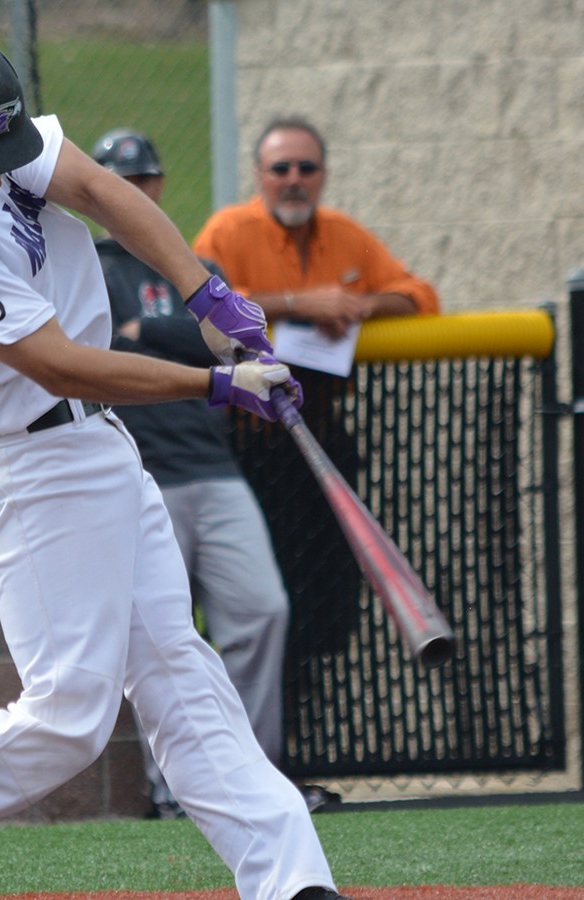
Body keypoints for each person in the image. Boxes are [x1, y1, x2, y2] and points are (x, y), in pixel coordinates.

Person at [0, 28, 350, 900]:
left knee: (182, 678)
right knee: (71, 719)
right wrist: (217, 383)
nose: (0, 175)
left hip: (95, 446)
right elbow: (56, 361)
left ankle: (293, 882)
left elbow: (96, 187)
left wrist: (206, 293)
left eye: (4, 151)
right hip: (24, 472)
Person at [89, 128, 303, 820]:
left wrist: (150, 333)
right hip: (142, 475)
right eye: (122, 180)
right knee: (164, 637)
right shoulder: (86, 264)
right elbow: (107, 345)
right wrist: (190, 345)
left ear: (158, 187)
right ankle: (177, 791)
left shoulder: (192, 265)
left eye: (145, 179)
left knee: (262, 609)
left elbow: (228, 337)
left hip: (214, 465)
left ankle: (252, 777)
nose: (137, 190)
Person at [191, 117, 439, 663]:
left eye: (307, 167)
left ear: (323, 176)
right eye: (281, 168)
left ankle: (297, 731)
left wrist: (359, 306)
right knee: (261, 604)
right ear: (260, 175)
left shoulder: (344, 233)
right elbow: (205, 303)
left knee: (330, 609)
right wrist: (302, 304)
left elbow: (419, 294)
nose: (294, 178)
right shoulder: (229, 231)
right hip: (248, 441)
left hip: (322, 438)